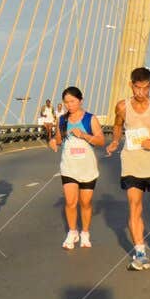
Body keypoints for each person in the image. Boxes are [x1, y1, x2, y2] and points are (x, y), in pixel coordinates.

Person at [107, 66, 150, 270]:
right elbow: (118, 125)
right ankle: (140, 254)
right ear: (131, 85)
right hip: (132, 162)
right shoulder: (122, 106)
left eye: (146, 88)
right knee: (134, 206)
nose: (141, 93)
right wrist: (114, 141)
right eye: (137, 88)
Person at [51, 86, 105, 248]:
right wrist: (53, 141)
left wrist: (84, 135)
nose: (69, 105)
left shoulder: (90, 119)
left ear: (80, 100)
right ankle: (72, 232)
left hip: (87, 168)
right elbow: (58, 140)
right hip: (69, 166)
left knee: (86, 203)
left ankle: (85, 232)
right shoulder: (62, 120)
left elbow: (101, 141)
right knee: (70, 202)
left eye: (72, 101)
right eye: (66, 102)